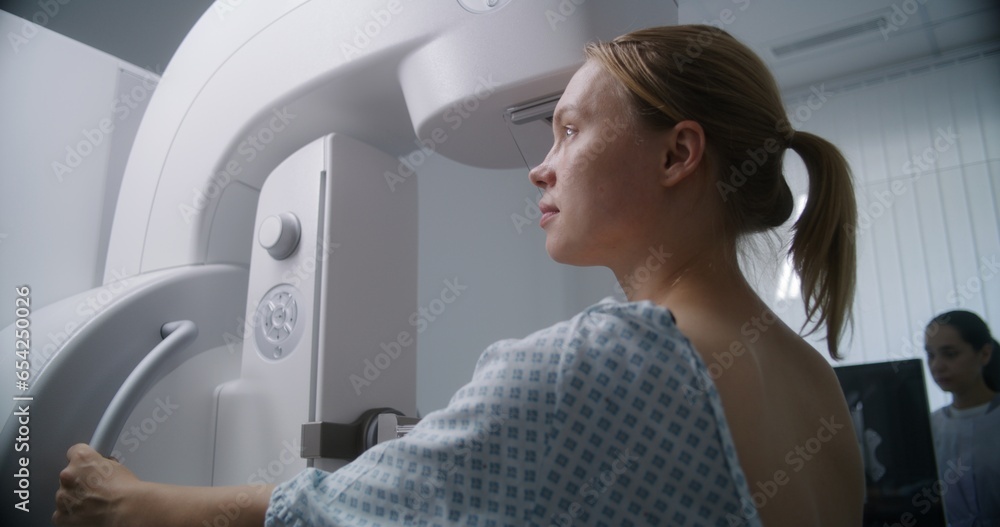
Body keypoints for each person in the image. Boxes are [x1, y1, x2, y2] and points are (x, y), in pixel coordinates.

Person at [53, 25, 864, 526]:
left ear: (678, 153)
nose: (538, 171)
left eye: (569, 130)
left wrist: (136, 503)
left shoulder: (611, 360)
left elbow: (344, 513)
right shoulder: (817, 385)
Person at [925, 310, 1000, 525]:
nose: (937, 366)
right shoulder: (931, 426)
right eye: (931, 355)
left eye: (950, 354)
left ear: (984, 354)